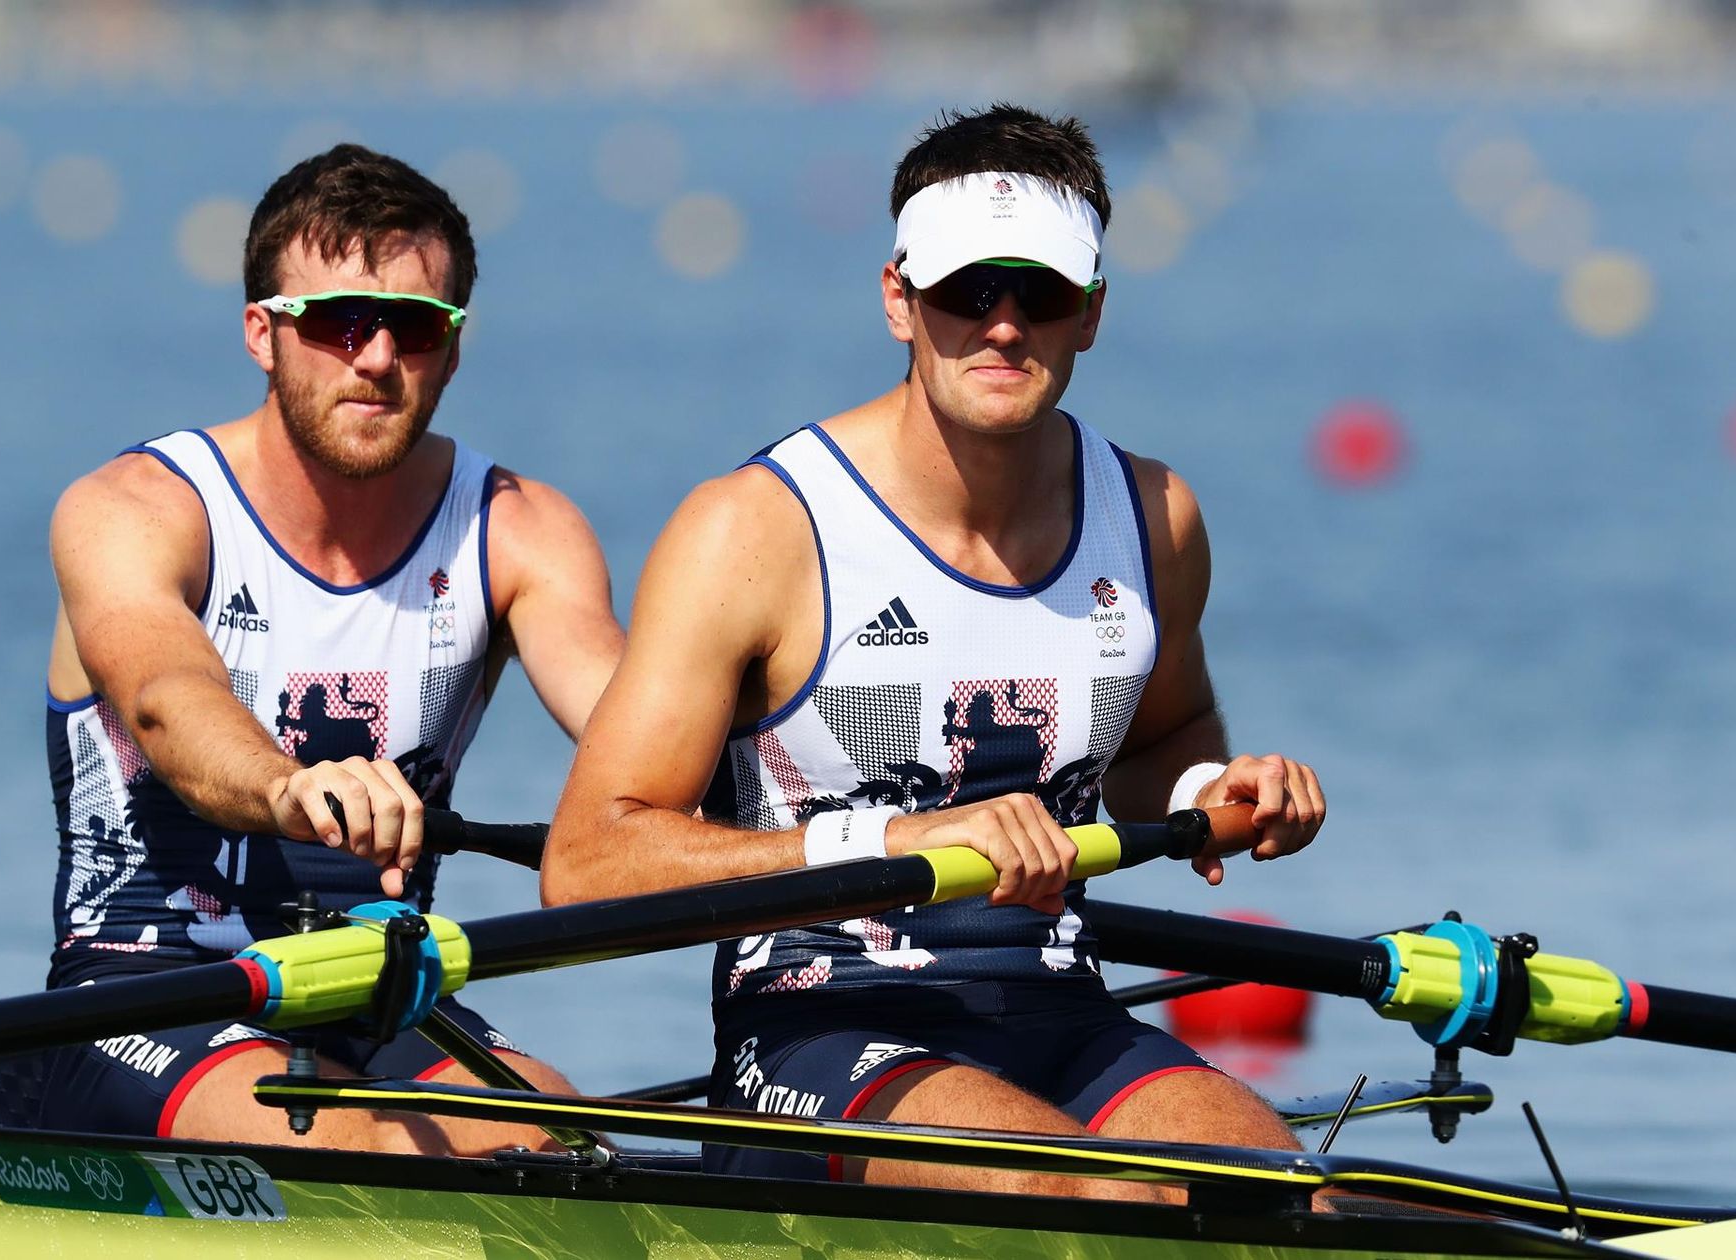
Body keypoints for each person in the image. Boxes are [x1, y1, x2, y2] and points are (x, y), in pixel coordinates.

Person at [541, 105, 1325, 1201]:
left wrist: (1212, 785)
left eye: (1040, 293)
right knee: (1083, 1196)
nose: (1003, 326)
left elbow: (1167, 736)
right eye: (967, 290)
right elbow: (586, 868)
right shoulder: (755, 532)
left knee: (1293, 1197)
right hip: (818, 1028)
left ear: (1091, 313)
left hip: (1060, 1008)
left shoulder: (1154, 515)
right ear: (898, 300)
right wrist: (899, 837)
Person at [38, 144, 622, 1155]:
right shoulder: (133, 510)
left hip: (378, 988)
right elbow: (165, 698)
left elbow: (641, 739)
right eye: (342, 322)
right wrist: (286, 788)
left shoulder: (523, 530)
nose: (378, 358)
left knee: (549, 1130)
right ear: (263, 334)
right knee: (359, 1144)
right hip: (145, 993)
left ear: (454, 344)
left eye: (414, 327)